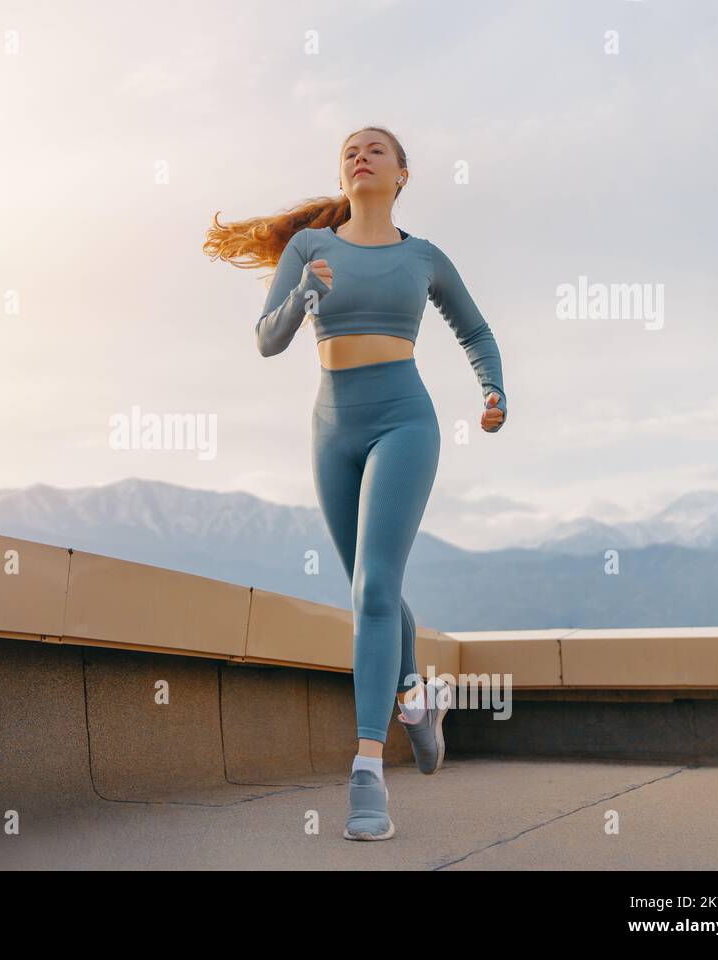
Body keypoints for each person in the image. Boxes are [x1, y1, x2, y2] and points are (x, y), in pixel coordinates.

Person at [203, 126, 508, 841]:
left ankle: (367, 771)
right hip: (331, 429)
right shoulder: (312, 247)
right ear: (342, 176)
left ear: (402, 174)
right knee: (370, 588)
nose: (361, 157)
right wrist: (304, 293)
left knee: (372, 589)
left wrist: (493, 389)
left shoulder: (423, 257)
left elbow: (475, 331)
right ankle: (416, 698)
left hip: (405, 421)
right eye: (350, 152)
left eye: (375, 150)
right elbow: (267, 339)